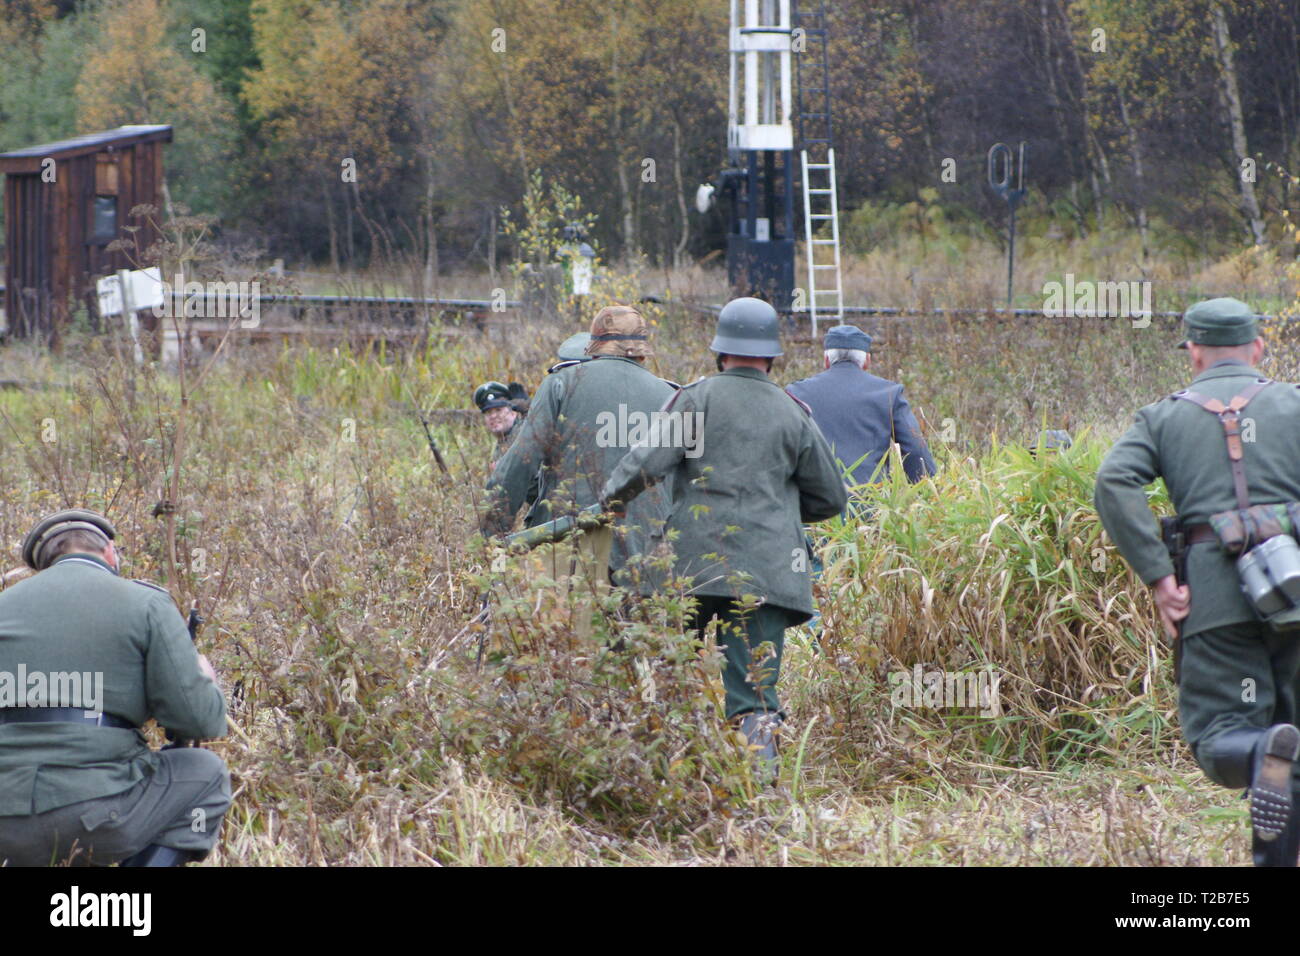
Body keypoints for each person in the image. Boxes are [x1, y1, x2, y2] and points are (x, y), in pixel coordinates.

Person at [1095, 297, 1300, 867]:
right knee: (1295, 748)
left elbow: (1113, 483)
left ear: (1193, 353)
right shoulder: (1294, 402)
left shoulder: (1162, 417)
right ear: (1259, 347)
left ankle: (1259, 750)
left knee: (1221, 737)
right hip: (1297, 592)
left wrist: (1160, 577)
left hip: (1214, 600)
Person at [600, 297, 847, 770]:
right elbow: (832, 498)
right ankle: (761, 796)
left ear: (720, 350)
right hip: (767, 573)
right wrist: (780, 513)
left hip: (692, 564)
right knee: (754, 693)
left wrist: (608, 502)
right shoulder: (793, 411)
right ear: (772, 355)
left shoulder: (696, 398)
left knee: (673, 674)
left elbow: (644, 465)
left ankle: (671, 783)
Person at [0, 510, 230, 866]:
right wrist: (203, 679)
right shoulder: (147, 602)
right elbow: (200, 721)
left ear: (42, 565)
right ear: (110, 551)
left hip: (5, 821)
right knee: (206, 775)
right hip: (95, 816)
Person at [482, 305, 675, 591]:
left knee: (570, 633)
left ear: (594, 345)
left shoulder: (561, 383)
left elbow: (521, 462)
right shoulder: (674, 396)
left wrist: (493, 533)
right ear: (642, 349)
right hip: (649, 557)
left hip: (569, 546)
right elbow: (693, 484)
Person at [785, 324, 935, 487]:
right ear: (867, 361)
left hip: (815, 504)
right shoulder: (889, 393)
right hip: (870, 505)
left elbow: (782, 449)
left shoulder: (796, 393)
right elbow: (915, 449)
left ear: (826, 360)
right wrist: (926, 492)